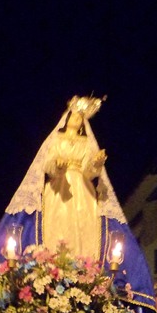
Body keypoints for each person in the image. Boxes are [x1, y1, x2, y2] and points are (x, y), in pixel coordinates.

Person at [41, 95, 107, 259]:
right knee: (59, 220)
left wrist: (96, 163)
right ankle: (54, 259)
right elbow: (47, 163)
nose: (77, 119)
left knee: (82, 223)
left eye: (80, 117)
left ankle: (83, 262)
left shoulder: (85, 143)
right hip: (59, 185)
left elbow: (88, 171)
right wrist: (58, 165)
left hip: (81, 187)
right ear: (67, 117)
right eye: (74, 115)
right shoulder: (56, 139)